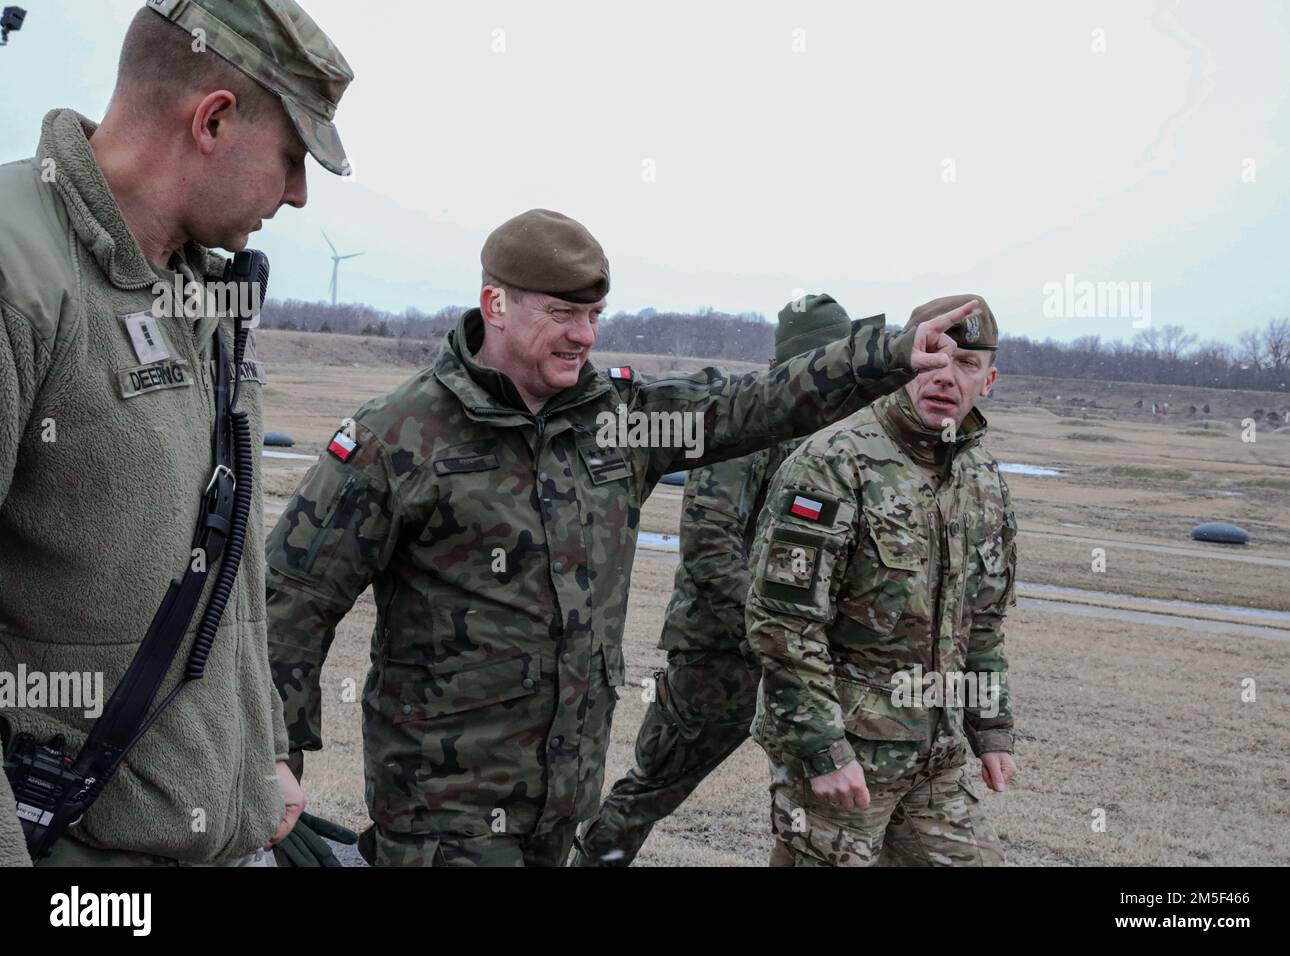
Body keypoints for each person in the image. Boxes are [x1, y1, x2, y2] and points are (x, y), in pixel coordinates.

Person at [266, 207, 978, 866]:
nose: (585, 334)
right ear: (496, 306)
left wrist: (884, 356)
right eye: (563, 313)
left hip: (564, 805)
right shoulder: (397, 437)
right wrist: (276, 751)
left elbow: (755, 405)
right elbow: (292, 600)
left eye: (595, 315)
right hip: (442, 816)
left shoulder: (619, 423)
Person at [0, 0, 353, 867]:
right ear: (215, 119)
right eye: (295, 157)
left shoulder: (209, 297)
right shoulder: (18, 274)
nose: (300, 193)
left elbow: (227, 564)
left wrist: (259, 751)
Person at [569, 294, 853, 866]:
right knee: (653, 788)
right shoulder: (746, 427)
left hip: (804, 657)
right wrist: (771, 631)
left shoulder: (839, 437)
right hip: (719, 653)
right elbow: (709, 549)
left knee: (825, 802)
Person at [746, 294, 1018, 867]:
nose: (946, 376)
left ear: (987, 380)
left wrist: (990, 728)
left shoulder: (982, 478)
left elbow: (985, 623)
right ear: (906, 360)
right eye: (934, 357)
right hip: (847, 756)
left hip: (934, 762)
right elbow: (784, 624)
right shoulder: (834, 461)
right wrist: (823, 751)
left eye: (966, 364)